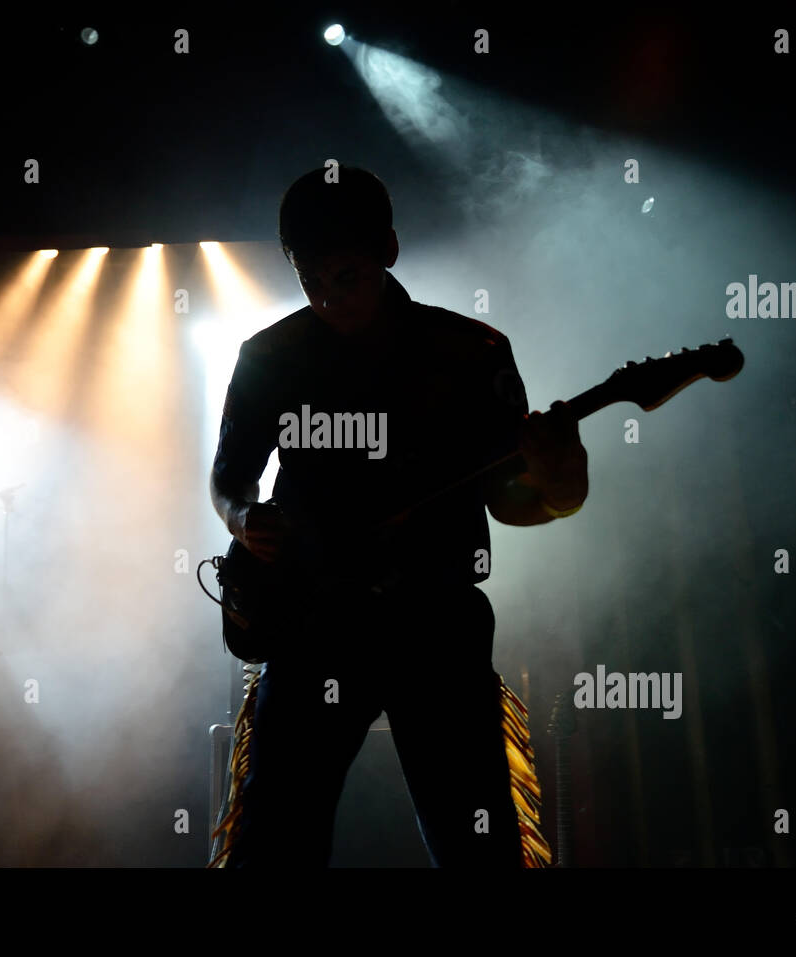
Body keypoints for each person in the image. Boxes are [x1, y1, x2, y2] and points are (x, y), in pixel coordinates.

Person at [208, 166, 588, 867]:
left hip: (435, 624)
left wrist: (564, 483)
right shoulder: (268, 356)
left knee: (478, 842)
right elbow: (228, 475)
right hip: (311, 623)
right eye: (309, 278)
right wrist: (241, 520)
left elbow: (509, 502)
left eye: (344, 274)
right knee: (273, 840)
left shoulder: (473, 353)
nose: (327, 295)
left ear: (387, 247)